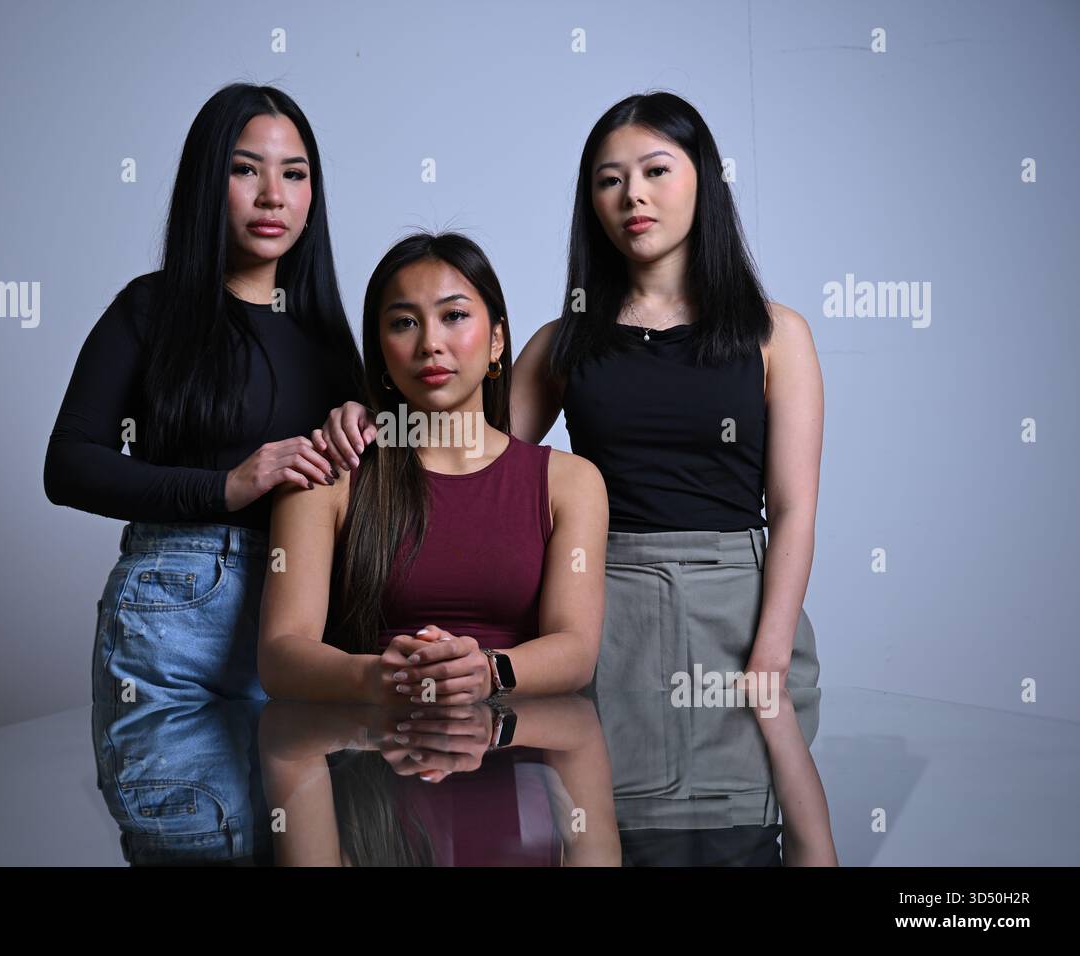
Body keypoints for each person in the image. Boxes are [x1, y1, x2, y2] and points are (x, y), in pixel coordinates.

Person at [318, 91, 821, 701]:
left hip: (741, 601)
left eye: (656, 170)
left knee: (752, 793)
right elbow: (470, 458)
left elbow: (794, 510)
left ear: (705, 180)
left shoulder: (777, 334)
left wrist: (769, 654)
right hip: (604, 604)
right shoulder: (565, 341)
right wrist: (370, 417)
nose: (633, 195)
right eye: (609, 180)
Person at [43, 83, 363, 708]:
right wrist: (223, 486)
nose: (273, 195)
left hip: (310, 620)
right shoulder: (152, 308)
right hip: (175, 614)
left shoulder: (328, 336)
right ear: (205, 183)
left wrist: (368, 422)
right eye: (245, 169)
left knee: (302, 809)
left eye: (294, 175)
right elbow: (67, 465)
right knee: (185, 805)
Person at [258, 232, 608, 704]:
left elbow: (576, 650)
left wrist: (488, 670)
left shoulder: (571, 482)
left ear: (497, 340)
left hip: (514, 748)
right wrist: (379, 676)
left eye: (455, 316)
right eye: (404, 322)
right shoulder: (330, 473)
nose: (430, 343)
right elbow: (280, 657)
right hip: (367, 756)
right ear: (380, 349)